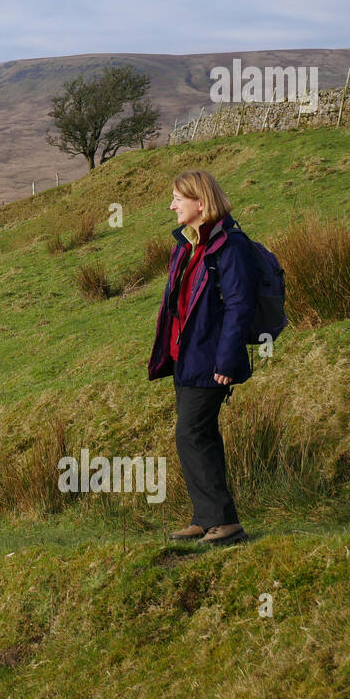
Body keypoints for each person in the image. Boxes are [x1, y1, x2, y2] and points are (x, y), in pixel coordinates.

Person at [147, 170, 255, 545]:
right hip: (186, 359)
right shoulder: (186, 245)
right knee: (199, 435)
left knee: (190, 434)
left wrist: (226, 362)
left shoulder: (230, 246)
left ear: (201, 203)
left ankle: (225, 523)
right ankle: (206, 517)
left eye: (179, 197)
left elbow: (239, 306)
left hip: (211, 361)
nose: (172, 204)